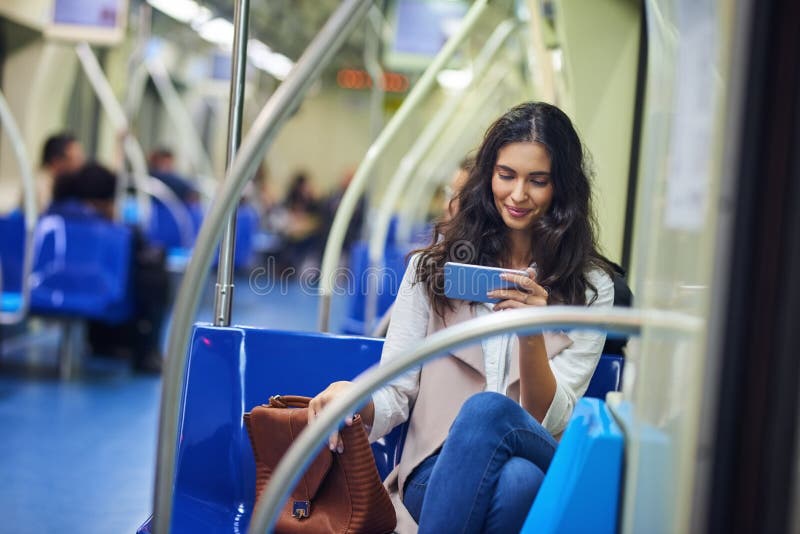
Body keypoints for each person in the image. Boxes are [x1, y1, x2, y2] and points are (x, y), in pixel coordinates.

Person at [308, 102, 616, 533]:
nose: (518, 194)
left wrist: (531, 334)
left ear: (562, 188)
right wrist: (355, 399)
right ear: (488, 175)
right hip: (436, 468)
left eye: (538, 181)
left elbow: (553, 420)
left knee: (490, 414)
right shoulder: (430, 271)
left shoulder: (589, 288)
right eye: (506, 175)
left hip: (536, 451)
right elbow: (398, 392)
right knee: (517, 485)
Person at [47, 162, 168, 373]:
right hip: (100, 296)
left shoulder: (50, 217)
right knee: (152, 276)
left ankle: (103, 342)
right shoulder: (116, 233)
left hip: (47, 288)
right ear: (105, 201)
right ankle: (146, 353)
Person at [37, 132, 86, 210]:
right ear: (56, 162)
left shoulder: (62, 186)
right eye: (77, 158)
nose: (82, 163)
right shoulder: (40, 189)